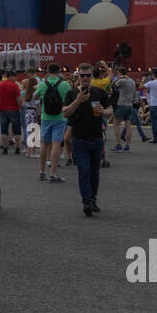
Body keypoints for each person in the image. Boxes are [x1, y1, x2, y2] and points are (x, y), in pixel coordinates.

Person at [62, 61, 107, 216]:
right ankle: (86, 201)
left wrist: (104, 111)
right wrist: (78, 100)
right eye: (83, 76)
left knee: (94, 173)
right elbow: (65, 113)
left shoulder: (99, 92)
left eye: (88, 75)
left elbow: (110, 111)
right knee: (84, 171)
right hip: (79, 139)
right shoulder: (72, 93)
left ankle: (93, 200)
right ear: (78, 76)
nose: (86, 78)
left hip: (96, 138)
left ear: (92, 75)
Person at [36, 63, 70, 182]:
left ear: (47, 71)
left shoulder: (42, 84)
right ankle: (53, 173)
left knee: (44, 144)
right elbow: (69, 99)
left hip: (45, 117)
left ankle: (41, 171)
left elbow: (35, 97)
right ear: (59, 71)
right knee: (56, 144)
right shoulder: (65, 84)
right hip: (60, 117)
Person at [0, 70, 23, 154]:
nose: (16, 78)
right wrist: (20, 107)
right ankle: (17, 148)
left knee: (4, 130)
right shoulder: (15, 86)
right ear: (11, 76)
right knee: (17, 130)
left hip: (3, 110)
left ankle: (5, 148)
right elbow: (18, 99)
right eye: (15, 77)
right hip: (14, 110)